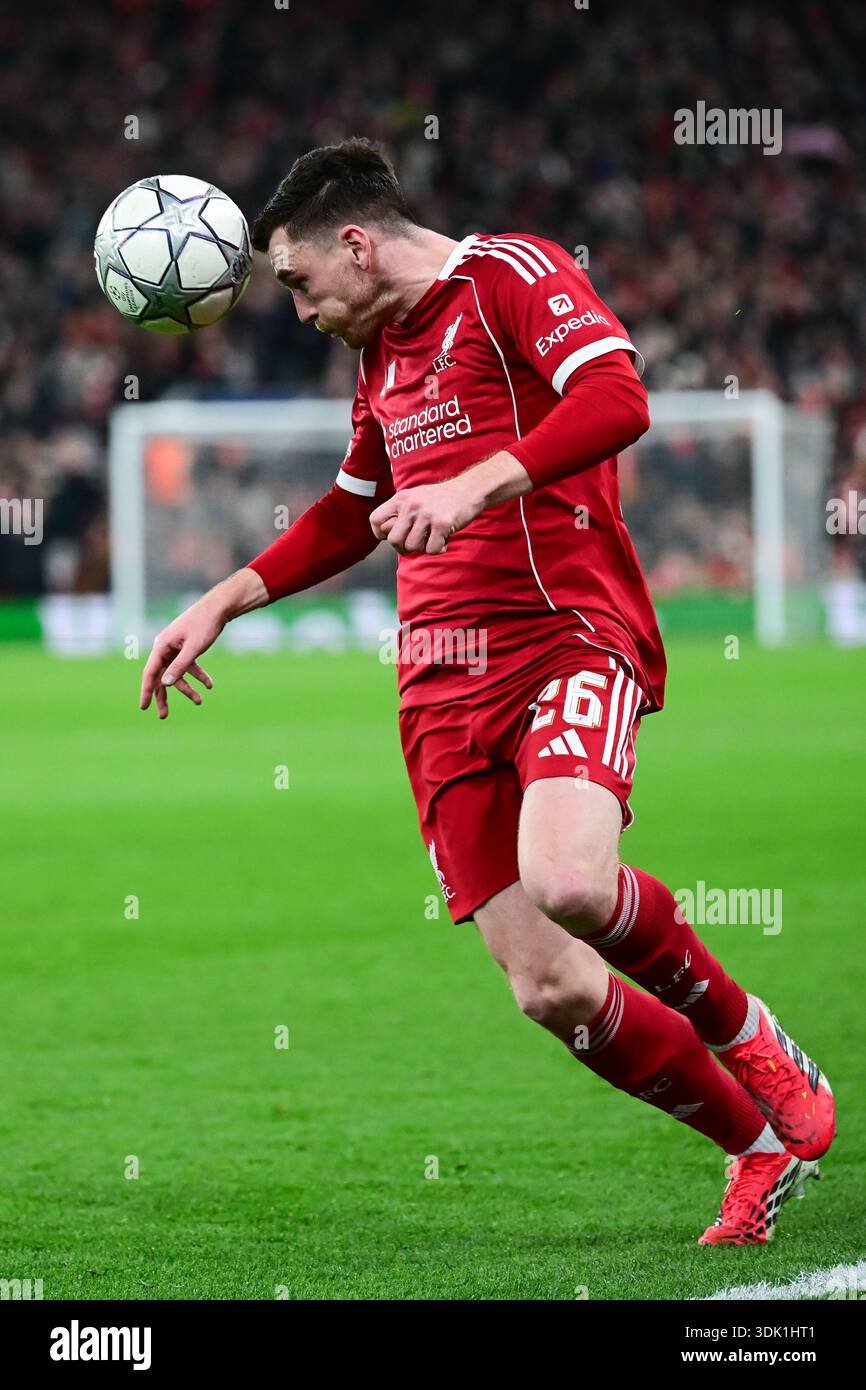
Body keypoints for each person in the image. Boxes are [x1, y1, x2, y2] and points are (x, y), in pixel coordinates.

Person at [139, 138, 835, 1244]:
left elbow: (616, 396)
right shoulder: (376, 362)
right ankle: (752, 1147)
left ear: (356, 244)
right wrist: (222, 599)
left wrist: (478, 479)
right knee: (548, 989)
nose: (303, 311)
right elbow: (346, 509)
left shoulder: (509, 275)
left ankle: (751, 1034)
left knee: (566, 879)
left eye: (301, 284)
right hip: (437, 685)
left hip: (563, 634)